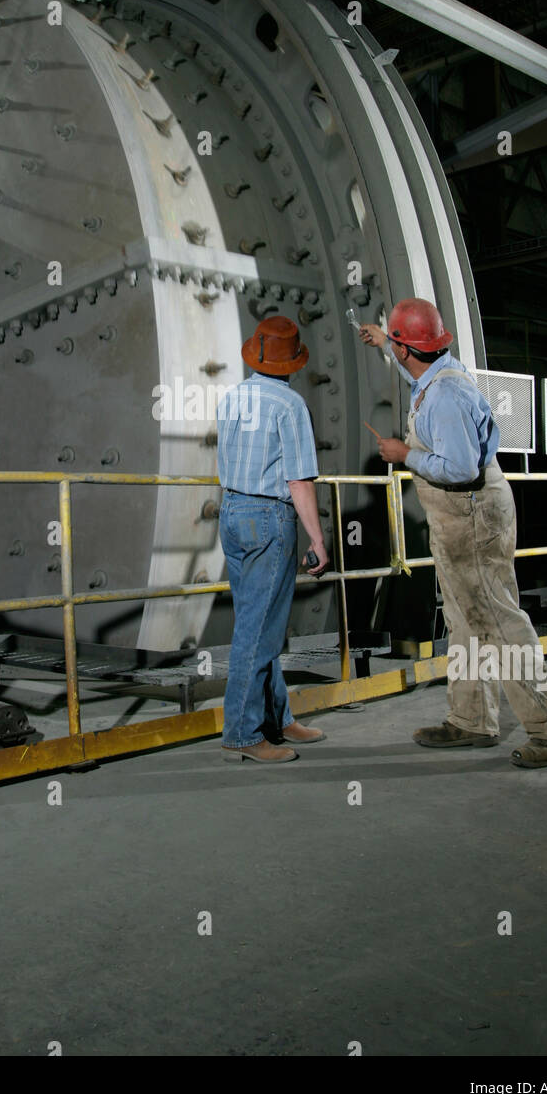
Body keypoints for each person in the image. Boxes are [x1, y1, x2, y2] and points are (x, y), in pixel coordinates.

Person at [358, 298, 547, 769]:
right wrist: (384, 342)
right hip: (461, 518)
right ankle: (472, 719)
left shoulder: (446, 397)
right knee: (464, 623)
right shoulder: (437, 375)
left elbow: (457, 469)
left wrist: (404, 455)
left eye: (395, 341)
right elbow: (418, 378)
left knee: (497, 622)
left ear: (405, 348)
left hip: (470, 515)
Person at [216, 316, 330, 764]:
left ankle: (277, 719)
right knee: (259, 630)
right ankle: (242, 735)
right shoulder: (290, 405)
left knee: (254, 623)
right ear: (293, 362)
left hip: (232, 513)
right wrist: (318, 541)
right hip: (268, 517)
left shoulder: (232, 398)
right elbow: (299, 481)